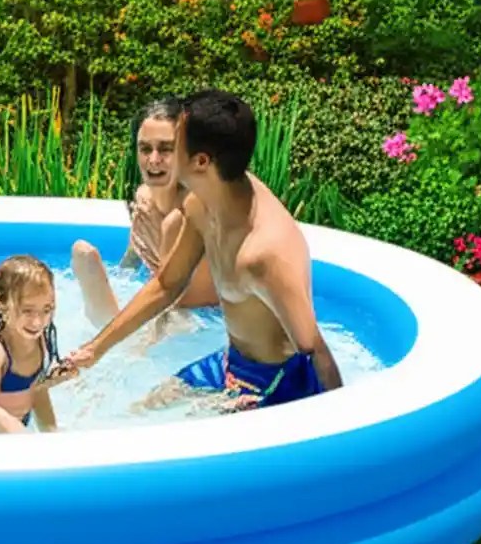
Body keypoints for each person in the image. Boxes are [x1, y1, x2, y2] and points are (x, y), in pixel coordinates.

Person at [62, 89, 342, 413]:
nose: (160, 157)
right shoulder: (201, 205)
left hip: (278, 383)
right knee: (138, 412)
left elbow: (313, 350)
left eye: (174, 143)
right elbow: (167, 285)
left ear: (201, 161)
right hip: (229, 363)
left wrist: (339, 430)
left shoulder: (263, 254)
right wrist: (95, 350)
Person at [70, 97, 218, 343]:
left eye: (166, 149)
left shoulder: (196, 211)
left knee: (170, 320)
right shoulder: (145, 198)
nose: (153, 159)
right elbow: (131, 262)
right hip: (159, 310)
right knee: (83, 255)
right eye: (145, 148)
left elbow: (185, 302)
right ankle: (110, 340)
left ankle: (118, 352)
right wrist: (119, 280)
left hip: (201, 322)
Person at [0, 255, 70, 434]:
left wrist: (51, 433)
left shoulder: (41, 343)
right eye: (27, 311)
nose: (38, 322)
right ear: (1, 304)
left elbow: (38, 394)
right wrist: (24, 437)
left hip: (14, 429)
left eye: (46, 310)